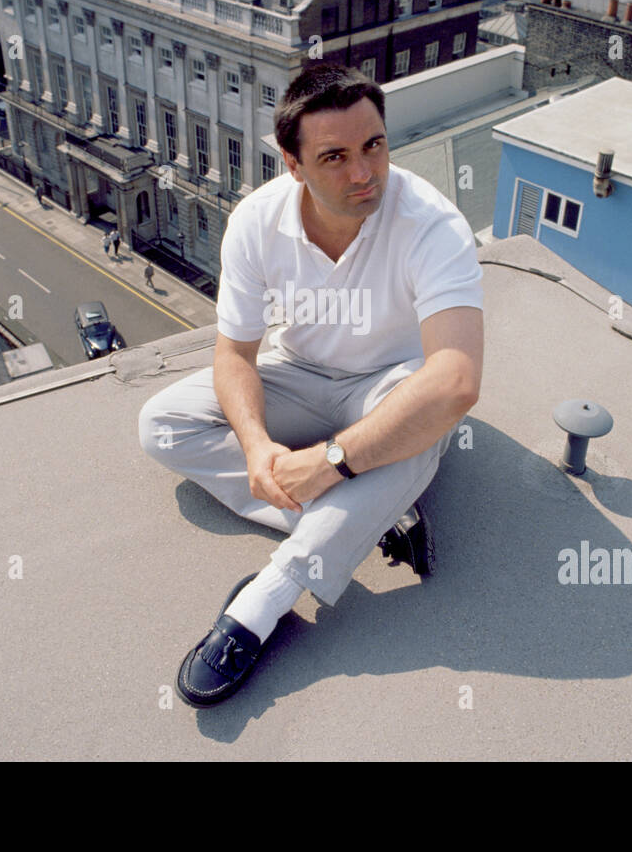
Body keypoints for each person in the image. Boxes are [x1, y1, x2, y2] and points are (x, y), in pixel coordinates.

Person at [137, 63, 484, 708]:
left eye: (374, 145)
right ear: (293, 165)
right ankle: (369, 513)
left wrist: (329, 463)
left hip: (392, 387)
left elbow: (455, 382)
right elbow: (235, 353)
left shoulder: (432, 224)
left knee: (420, 426)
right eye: (335, 156)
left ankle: (262, 602)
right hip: (297, 374)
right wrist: (257, 450)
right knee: (161, 425)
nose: (363, 173)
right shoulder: (256, 221)